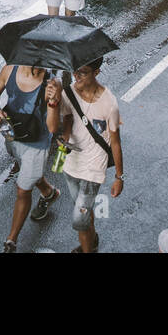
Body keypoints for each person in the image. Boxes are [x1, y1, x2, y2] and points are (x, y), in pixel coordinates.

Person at [45, 58, 123, 253]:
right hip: (71, 163)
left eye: (83, 72)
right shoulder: (69, 92)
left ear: (96, 72)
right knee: (83, 212)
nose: (76, 76)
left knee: (79, 220)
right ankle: (91, 241)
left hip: (93, 168)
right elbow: (56, 125)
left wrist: (119, 177)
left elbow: (115, 142)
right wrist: (53, 102)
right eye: (75, 71)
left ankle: (89, 249)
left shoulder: (109, 103)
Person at [0, 64, 62, 252]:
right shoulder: (9, 70)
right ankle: (49, 193)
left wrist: (54, 102)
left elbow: (53, 128)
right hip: (13, 137)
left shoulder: (51, 84)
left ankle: (11, 241)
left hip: (37, 145)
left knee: (23, 189)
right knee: (29, 173)